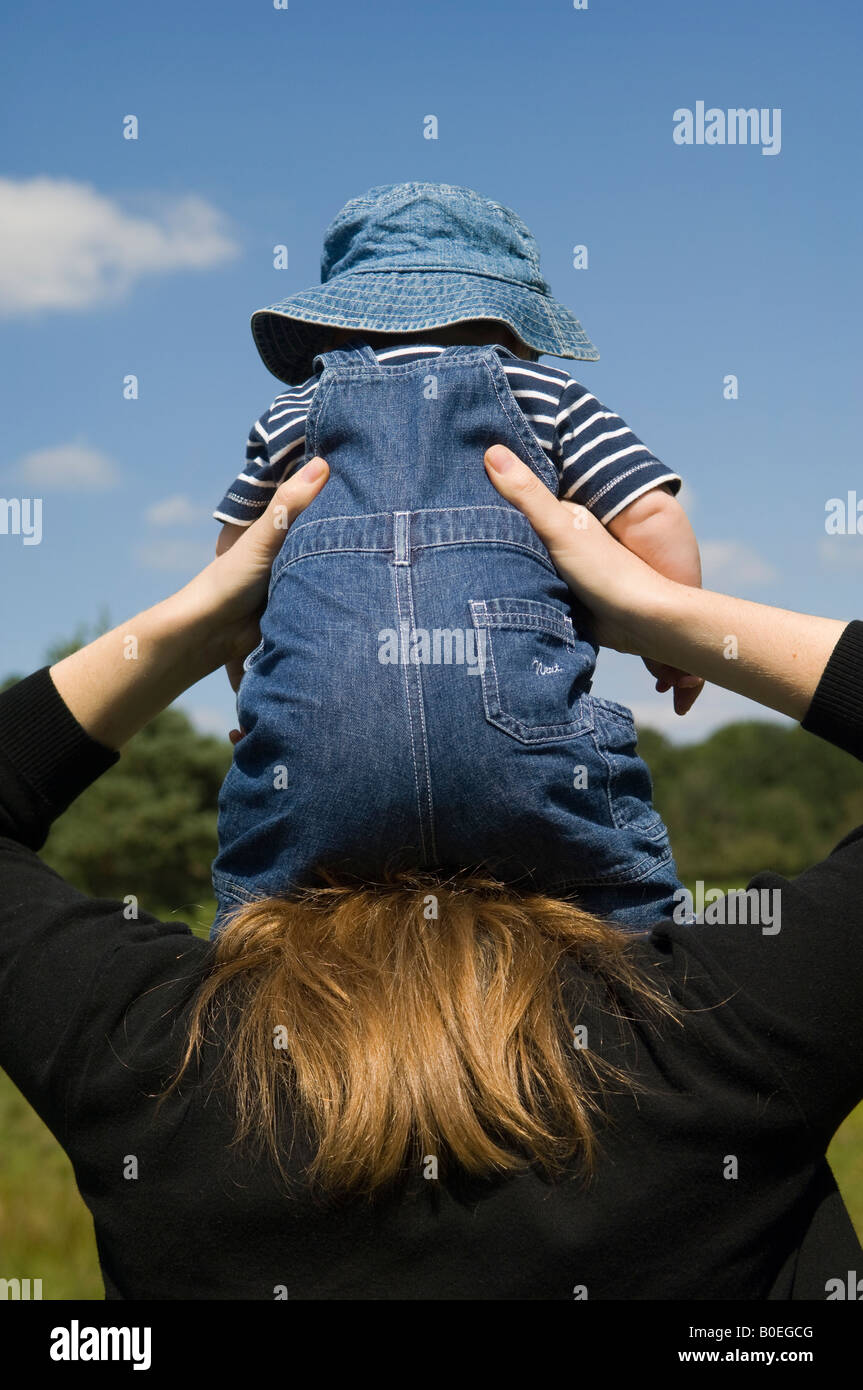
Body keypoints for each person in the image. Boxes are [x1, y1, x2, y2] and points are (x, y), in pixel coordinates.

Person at [0, 447, 860, 1299]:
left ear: (259, 762)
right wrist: (662, 611)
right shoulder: (722, 1025)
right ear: (587, 748)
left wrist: (195, 625)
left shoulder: (154, 1060)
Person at [209, 182, 703, 935]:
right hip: (523, 749)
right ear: (514, 324)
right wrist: (681, 640)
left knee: (266, 924)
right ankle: (650, 1006)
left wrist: (256, 688)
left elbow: (232, 572)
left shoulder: (291, 415)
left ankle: (239, 1015)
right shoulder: (545, 392)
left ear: (337, 328)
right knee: (618, 909)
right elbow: (650, 512)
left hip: (318, 754)